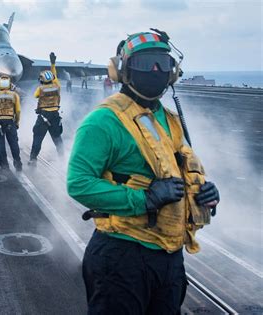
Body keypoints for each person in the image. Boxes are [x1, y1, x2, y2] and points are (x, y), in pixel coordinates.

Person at [67, 29, 220, 314]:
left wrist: (204, 193)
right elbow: (79, 184)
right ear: (123, 71)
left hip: (169, 258)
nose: (155, 70)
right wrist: (144, 200)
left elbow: (179, 167)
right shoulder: (102, 121)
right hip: (121, 257)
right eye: (144, 63)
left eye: (162, 63)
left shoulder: (170, 119)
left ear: (173, 72)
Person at [29, 52, 63, 166]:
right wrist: (53, 64)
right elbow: (55, 76)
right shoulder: (57, 86)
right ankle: (63, 159)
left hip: (43, 117)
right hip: (55, 116)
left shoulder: (40, 89)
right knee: (57, 139)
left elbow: (35, 96)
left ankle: (33, 159)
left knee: (38, 138)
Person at [0, 74, 22, 171]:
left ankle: (4, 166)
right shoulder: (15, 95)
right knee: (14, 143)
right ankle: (18, 163)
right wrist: (17, 123)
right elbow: (18, 111)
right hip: (11, 121)